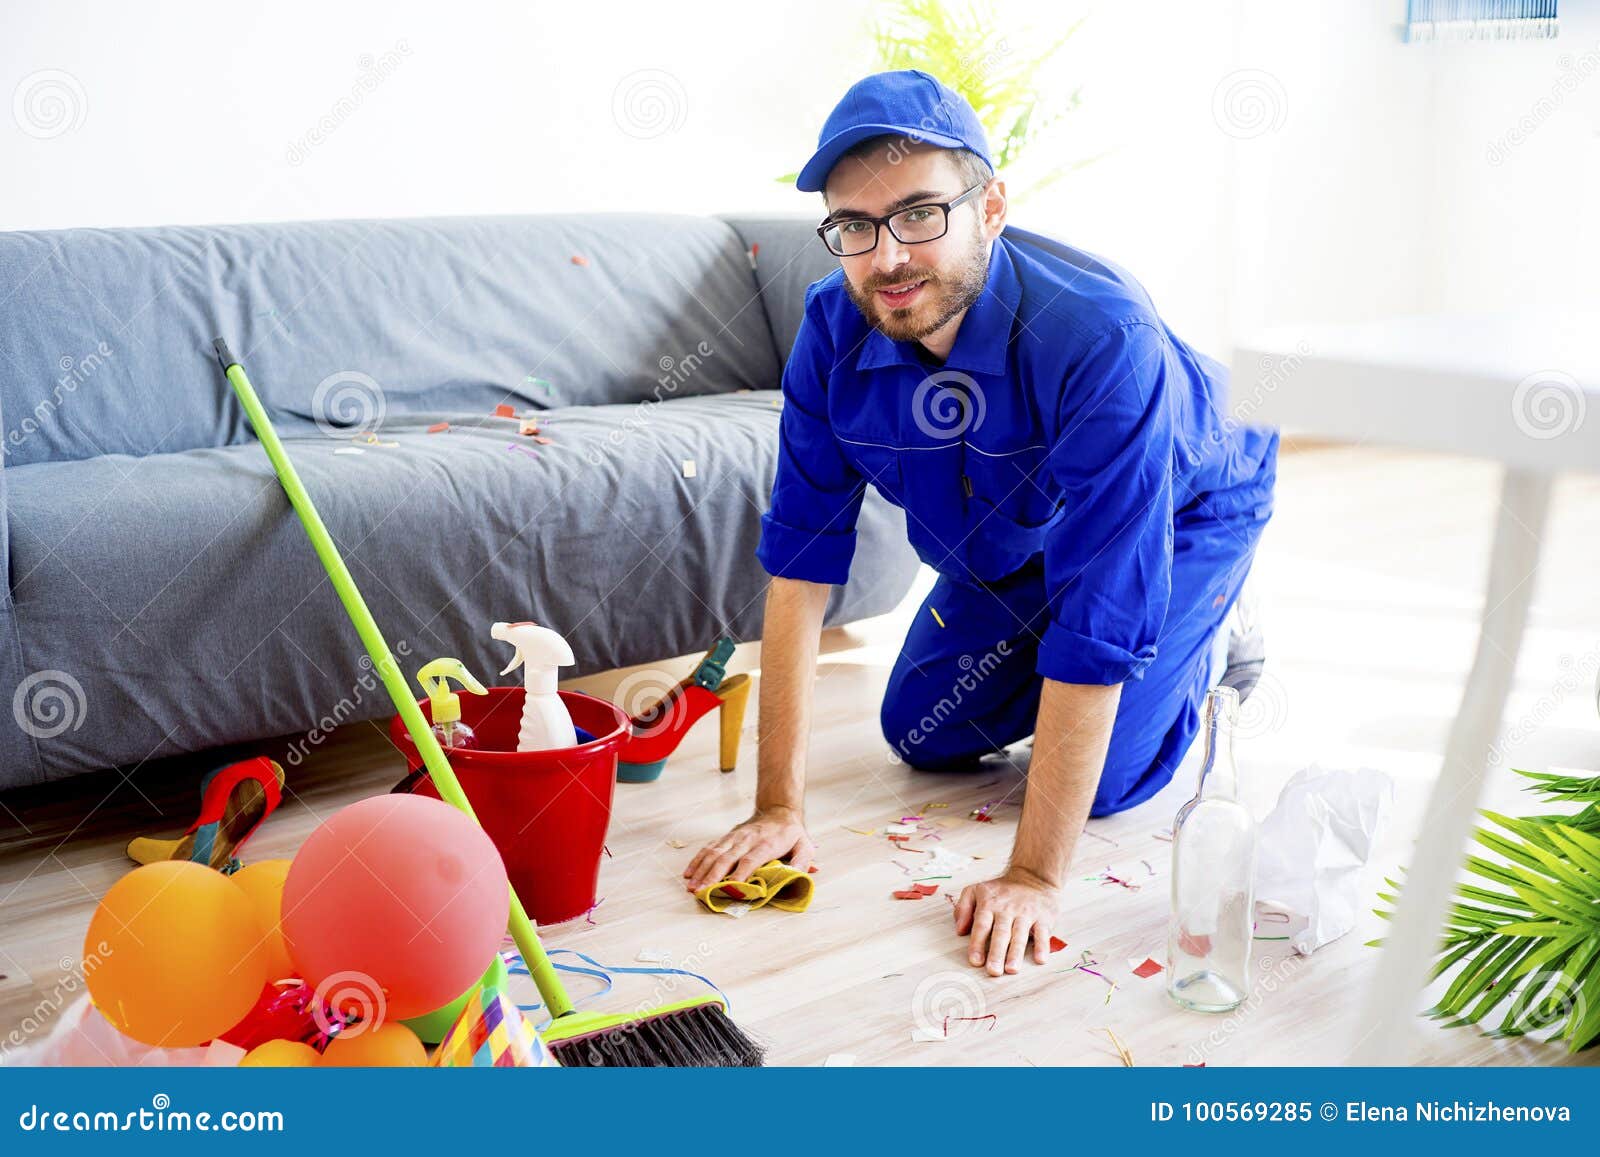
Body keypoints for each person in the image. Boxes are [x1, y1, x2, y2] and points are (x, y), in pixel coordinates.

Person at [685, 70, 1277, 976]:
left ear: (990, 206)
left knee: (1111, 782)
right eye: (854, 226)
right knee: (922, 734)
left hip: (1191, 502)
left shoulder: (1102, 337)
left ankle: (1214, 628)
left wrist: (1035, 874)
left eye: (920, 214)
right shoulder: (831, 332)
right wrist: (777, 810)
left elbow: (1103, 606)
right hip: (1028, 539)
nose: (886, 258)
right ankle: (1067, 631)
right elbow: (800, 564)